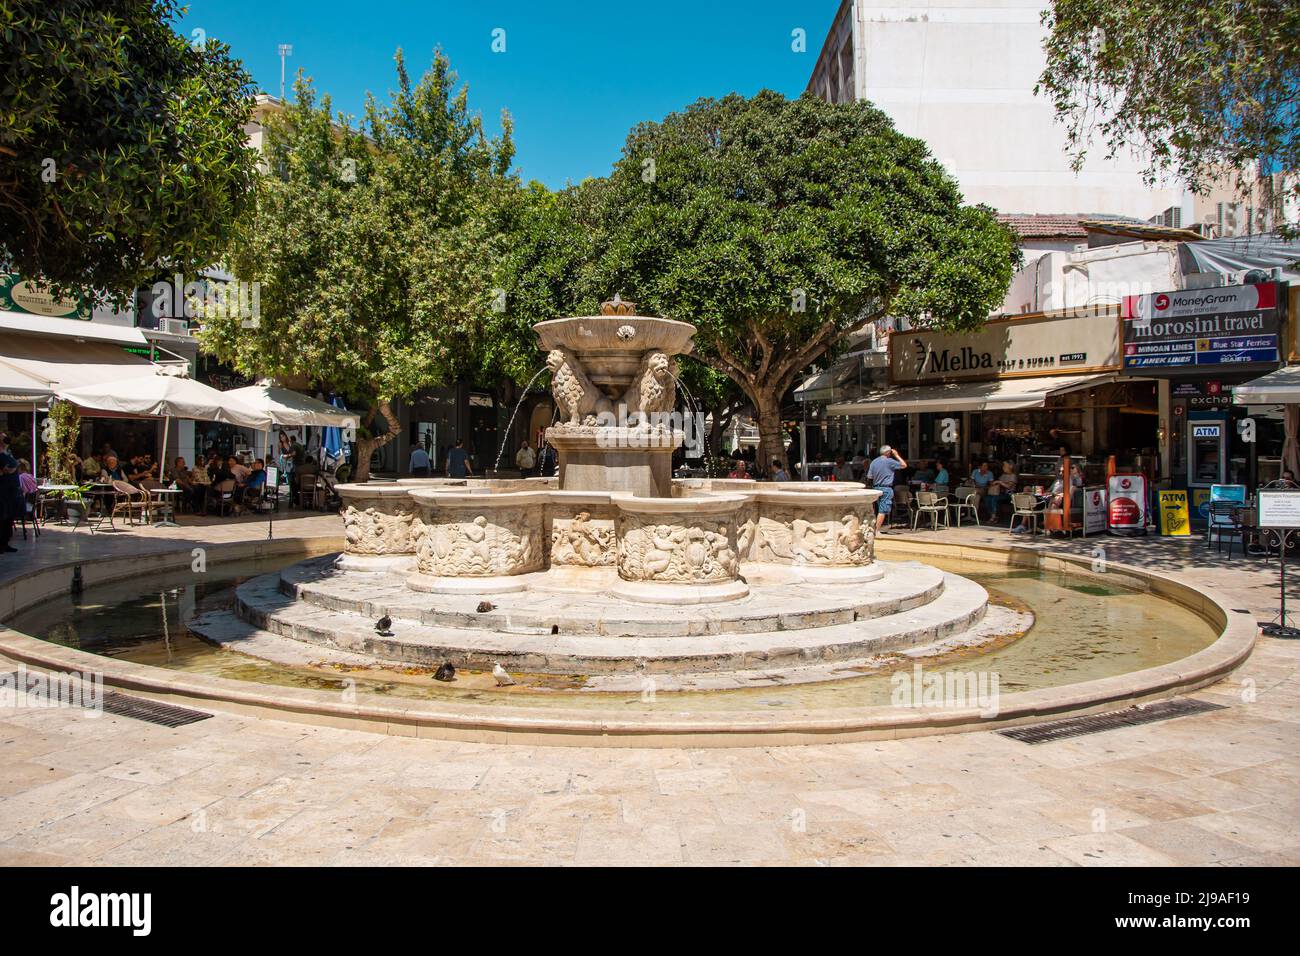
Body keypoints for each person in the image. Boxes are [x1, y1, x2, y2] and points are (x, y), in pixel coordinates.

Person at [868, 444, 907, 534]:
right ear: (888, 452)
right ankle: (876, 531)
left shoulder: (874, 462)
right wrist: (897, 455)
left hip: (876, 488)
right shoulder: (890, 461)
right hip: (886, 487)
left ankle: (874, 528)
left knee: (877, 509)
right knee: (883, 510)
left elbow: (870, 476)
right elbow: (904, 465)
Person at [0, 434, 18, 553]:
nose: (5, 438)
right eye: (2, 437)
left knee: (9, 516)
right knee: (2, 515)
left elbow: (14, 465)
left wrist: (12, 469)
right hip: (2, 488)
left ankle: (5, 543)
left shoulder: (8, 451)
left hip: (11, 489)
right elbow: (5, 469)